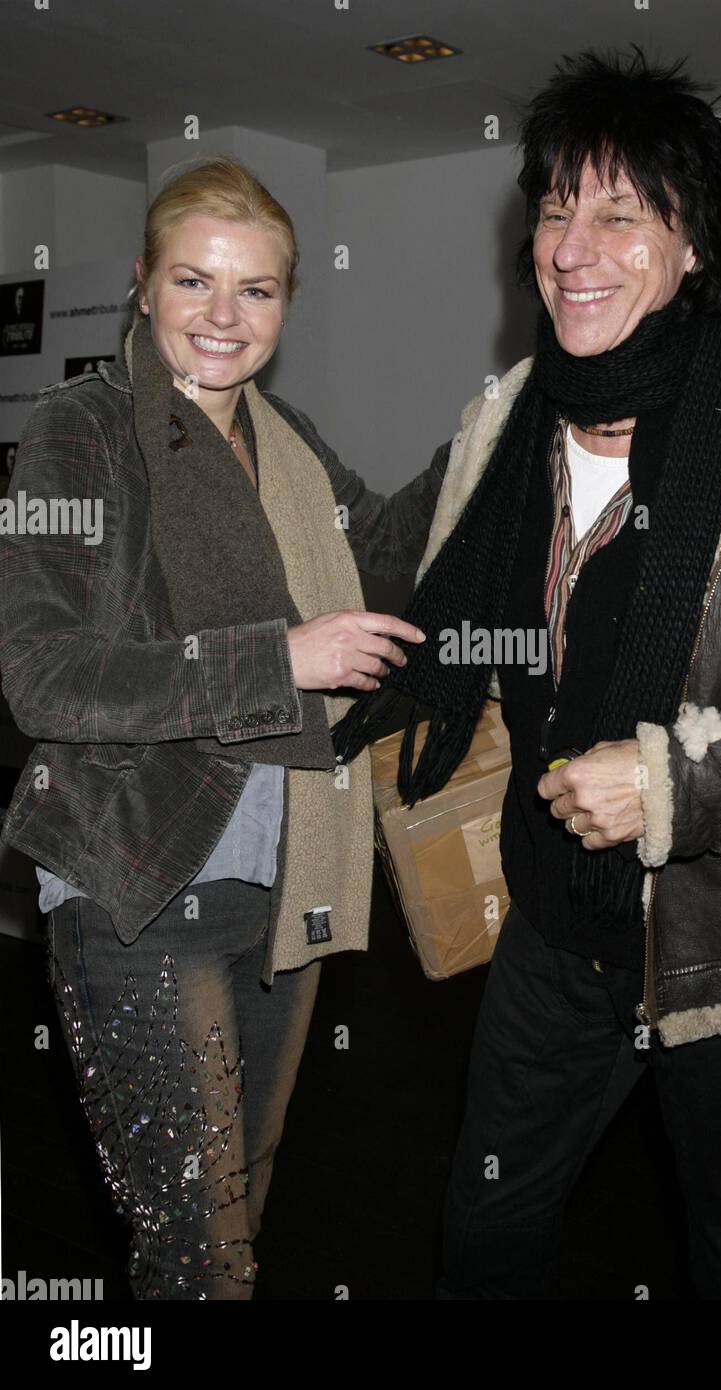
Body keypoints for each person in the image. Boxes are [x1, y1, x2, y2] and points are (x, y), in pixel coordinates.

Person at [332, 50, 721, 1299]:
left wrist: (675, 779)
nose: (573, 245)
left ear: (692, 250)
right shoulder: (501, 426)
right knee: (486, 1226)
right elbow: (364, 564)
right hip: (552, 928)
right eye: (557, 207)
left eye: (619, 213)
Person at [0, 156, 445, 1299]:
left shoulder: (283, 438)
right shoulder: (82, 431)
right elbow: (45, 678)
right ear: (144, 287)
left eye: (255, 290)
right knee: (198, 1247)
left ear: (287, 304)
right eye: (194, 281)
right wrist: (279, 658)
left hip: (281, 876)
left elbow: (379, 555)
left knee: (239, 1198)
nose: (222, 317)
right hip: (136, 884)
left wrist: (496, 432)